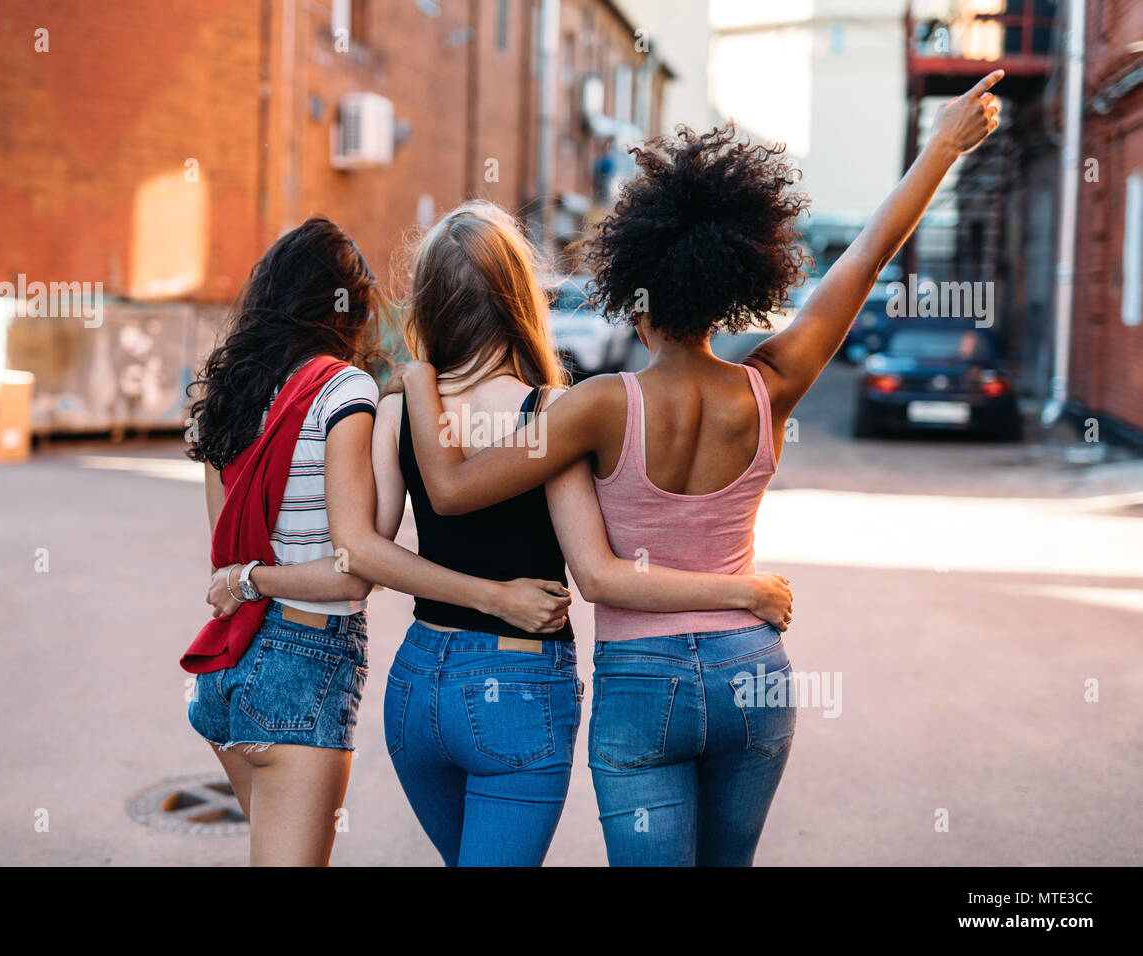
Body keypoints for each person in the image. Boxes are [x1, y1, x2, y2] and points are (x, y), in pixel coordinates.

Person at [398, 72, 1004, 865]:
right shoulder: (770, 387)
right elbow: (863, 260)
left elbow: (449, 488)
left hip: (643, 688)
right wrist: (941, 148)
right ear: (731, 291)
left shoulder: (598, 407)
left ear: (634, 297)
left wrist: (415, 377)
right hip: (751, 669)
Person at [374, 200, 794, 866]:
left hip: (415, 679)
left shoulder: (398, 407)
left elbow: (366, 552)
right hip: (515, 682)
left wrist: (418, 380)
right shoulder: (553, 413)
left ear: (426, 302)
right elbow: (595, 571)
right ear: (520, 298)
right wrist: (742, 591)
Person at [182, 217, 569, 866]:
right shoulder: (345, 390)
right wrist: (497, 596)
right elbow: (351, 566)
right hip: (303, 666)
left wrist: (246, 579)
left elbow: (227, 563)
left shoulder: (228, 398)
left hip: (228, 676)